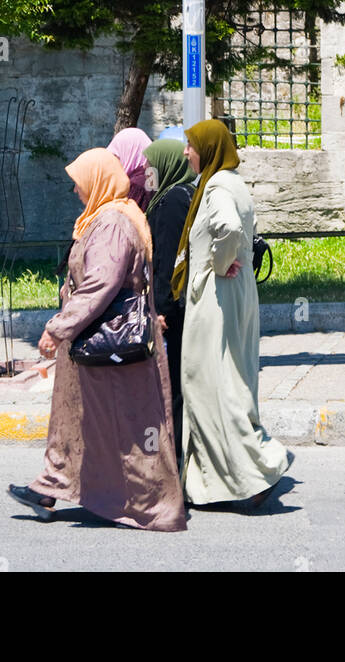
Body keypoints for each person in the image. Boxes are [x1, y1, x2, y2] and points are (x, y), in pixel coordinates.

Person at [8, 147, 186, 532]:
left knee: (128, 426)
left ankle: (153, 505)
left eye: (79, 183)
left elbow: (99, 285)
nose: (75, 191)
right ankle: (51, 486)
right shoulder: (108, 217)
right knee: (81, 420)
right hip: (97, 343)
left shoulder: (112, 224)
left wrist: (58, 328)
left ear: (98, 181)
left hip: (110, 344)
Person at [174, 119, 289, 510]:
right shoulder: (235, 182)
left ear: (207, 148)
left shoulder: (218, 186)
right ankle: (228, 478)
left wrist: (220, 264)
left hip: (217, 298)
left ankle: (254, 474)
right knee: (232, 384)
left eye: (191, 146)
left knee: (209, 385)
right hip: (236, 294)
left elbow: (227, 226)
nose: (186, 152)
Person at [143, 137, 196, 461]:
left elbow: (168, 260)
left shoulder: (173, 200)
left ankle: (175, 468)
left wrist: (161, 308)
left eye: (152, 168)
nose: (148, 174)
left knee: (174, 389)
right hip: (184, 307)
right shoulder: (182, 193)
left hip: (174, 311)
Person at [107, 126, 155, 210]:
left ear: (129, 153)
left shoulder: (137, 185)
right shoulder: (150, 176)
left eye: (117, 155)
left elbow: (124, 218)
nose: (114, 161)